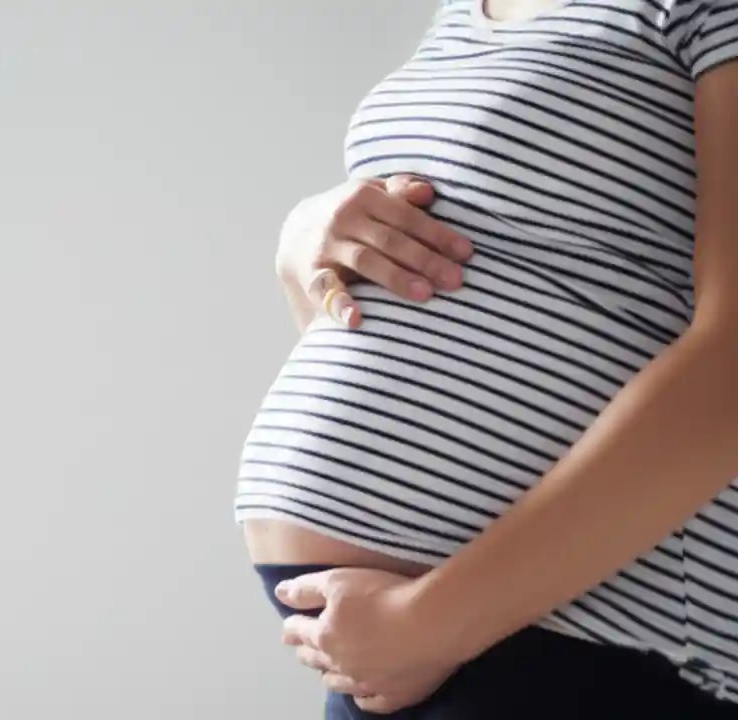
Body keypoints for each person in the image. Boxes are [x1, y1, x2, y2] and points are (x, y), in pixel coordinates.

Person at [234, 0, 738, 717]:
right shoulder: (462, 16)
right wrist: (305, 239)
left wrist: (427, 623)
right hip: (405, 651)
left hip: (589, 647)